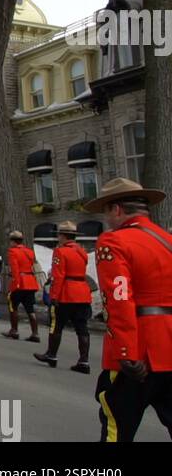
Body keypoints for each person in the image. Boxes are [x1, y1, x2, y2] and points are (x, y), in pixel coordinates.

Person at [82, 178, 172, 441]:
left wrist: (125, 350)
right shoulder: (167, 240)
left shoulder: (114, 241)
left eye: (106, 212)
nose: (107, 219)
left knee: (117, 427)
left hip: (140, 348)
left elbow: (118, 299)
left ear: (116, 209)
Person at [35, 221, 93, 373]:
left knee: (56, 325)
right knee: (82, 328)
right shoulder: (82, 252)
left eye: (59, 235)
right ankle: (84, 360)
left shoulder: (60, 252)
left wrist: (54, 296)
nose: (58, 238)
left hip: (66, 293)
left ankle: (51, 354)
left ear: (63, 236)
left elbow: (58, 275)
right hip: (82, 293)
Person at [2, 230, 41, 343]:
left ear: (13, 241)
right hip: (30, 282)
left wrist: (15, 283)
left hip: (20, 282)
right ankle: (35, 333)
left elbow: (15, 268)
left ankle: (14, 330)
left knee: (13, 306)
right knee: (30, 309)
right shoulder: (29, 252)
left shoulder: (13, 252)